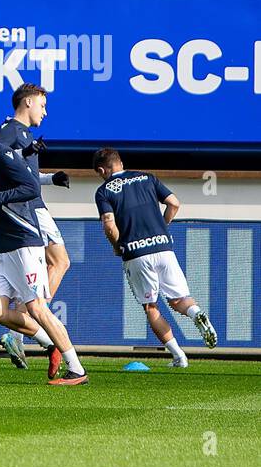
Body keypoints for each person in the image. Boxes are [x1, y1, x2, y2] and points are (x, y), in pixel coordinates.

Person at [0, 106, 89, 386]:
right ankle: (50, 346)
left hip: (24, 244)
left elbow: (30, 188)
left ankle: (77, 370)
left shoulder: (1, 152)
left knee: (37, 308)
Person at [93, 147, 218, 365]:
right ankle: (196, 312)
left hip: (136, 253)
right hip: (163, 248)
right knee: (179, 299)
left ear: (102, 170)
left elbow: (109, 224)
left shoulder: (104, 191)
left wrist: (117, 246)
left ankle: (179, 357)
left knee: (151, 307)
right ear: (121, 163)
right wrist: (162, 226)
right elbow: (174, 203)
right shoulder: (147, 178)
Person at [0, 85, 74, 371]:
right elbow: (1, 164)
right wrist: (26, 151)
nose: (45, 111)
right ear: (28, 102)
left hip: (34, 206)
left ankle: (23, 328)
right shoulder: (10, 130)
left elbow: (24, 173)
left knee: (53, 266)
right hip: (31, 210)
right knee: (60, 262)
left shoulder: (21, 134)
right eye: (42, 104)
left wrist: (52, 178)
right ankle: (31, 322)